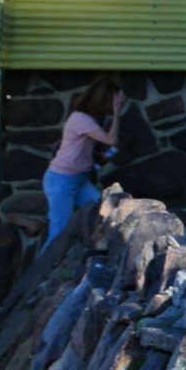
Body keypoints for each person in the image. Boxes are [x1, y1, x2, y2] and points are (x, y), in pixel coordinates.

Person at [45, 74, 121, 244]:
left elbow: (86, 152)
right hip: (62, 180)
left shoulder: (86, 119)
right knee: (58, 230)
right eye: (113, 99)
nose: (116, 103)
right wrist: (117, 112)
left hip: (78, 179)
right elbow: (111, 140)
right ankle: (40, 270)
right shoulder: (81, 119)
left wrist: (102, 160)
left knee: (103, 211)